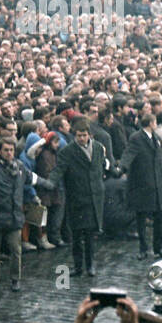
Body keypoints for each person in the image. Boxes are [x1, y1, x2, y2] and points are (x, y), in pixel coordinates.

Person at [56, 118, 106, 277]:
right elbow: (59, 170)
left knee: (91, 236)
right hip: (77, 199)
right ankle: (78, 267)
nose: (81, 138)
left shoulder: (98, 148)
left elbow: (102, 165)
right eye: (78, 135)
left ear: (89, 135)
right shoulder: (68, 152)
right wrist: (49, 182)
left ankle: (90, 266)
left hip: (93, 199)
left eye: (84, 135)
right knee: (76, 236)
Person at [120, 108, 162, 261]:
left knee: (159, 219)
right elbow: (128, 155)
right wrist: (120, 168)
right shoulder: (137, 138)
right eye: (155, 122)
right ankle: (143, 249)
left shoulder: (155, 137)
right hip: (142, 186)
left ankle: (158, 248)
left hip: (157, 185)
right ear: (151, 123)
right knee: (141, 219)